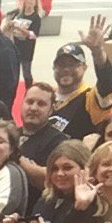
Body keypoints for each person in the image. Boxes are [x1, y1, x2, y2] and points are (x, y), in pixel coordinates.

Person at [50, 16, 112, 141]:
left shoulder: (91, 100)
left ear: (84, 67)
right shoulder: (47, 96)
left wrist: (98, 52)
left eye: (72, 65)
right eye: (61, 65)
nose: (66, 69)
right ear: (54, 67)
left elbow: (107, 83)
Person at [17, 82, 68, 210]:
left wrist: (17, 159)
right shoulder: (9, 134)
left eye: (41, 104)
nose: (34, 108)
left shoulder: (60, 142)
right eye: (30, 102)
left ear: (51, 110)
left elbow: (53, 181)